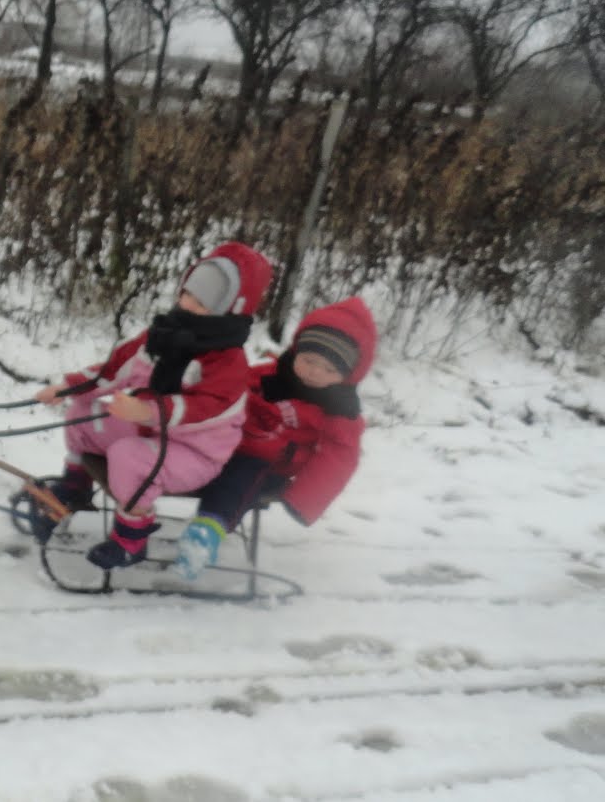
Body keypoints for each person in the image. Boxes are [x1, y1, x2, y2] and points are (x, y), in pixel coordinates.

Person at [25, 242, 274, 570]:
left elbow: (208, 408)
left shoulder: (227, 361)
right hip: (148, 429)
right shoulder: (163, 335)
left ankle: (132, 538)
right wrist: (69, 388)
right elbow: (114, 369)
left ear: (230, 308)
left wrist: (147, 411)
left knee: (128, 457)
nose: (187, 303)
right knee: (82, 416)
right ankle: (75, 487)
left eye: (201, 302)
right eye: (187, 293)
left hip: (196, 451)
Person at [171, 296, 376, 580]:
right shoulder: (273, 374)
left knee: (240, 477)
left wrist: (303, 499)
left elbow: (340, 456)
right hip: (228, 441)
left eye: (330, 369)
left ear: (348, 374)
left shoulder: (341, 410)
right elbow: (230, 386)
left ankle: (207, 531)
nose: (315, 372)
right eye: (309, 360)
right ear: (296, 351)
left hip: (270, 462)